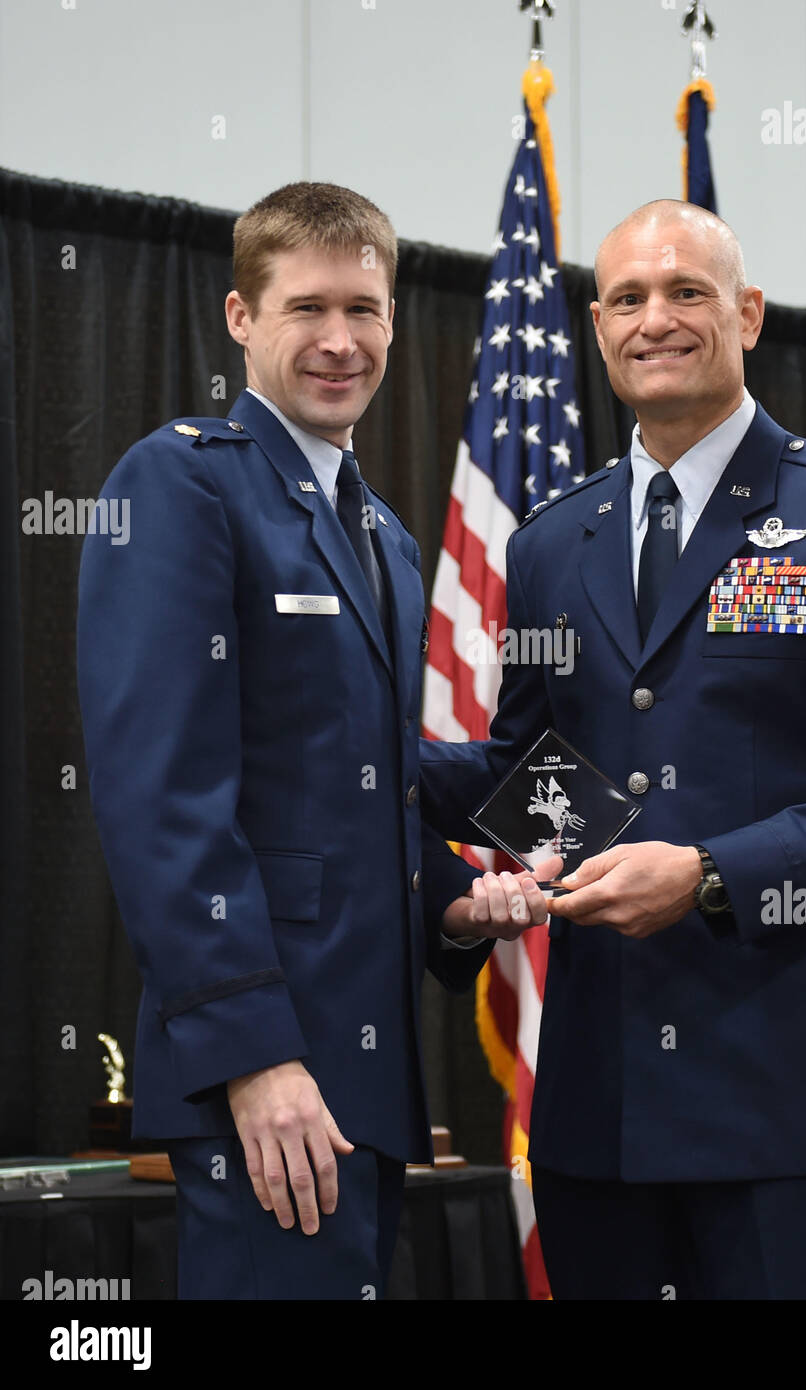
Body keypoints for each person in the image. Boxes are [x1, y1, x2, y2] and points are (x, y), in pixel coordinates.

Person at [419, 199, 806, 1300]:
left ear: (749, 313)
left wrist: (711, 874)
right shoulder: (546, 544)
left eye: (687, 292)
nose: (655, 319)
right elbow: (542, 786)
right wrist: (361, 754)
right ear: (596, 324)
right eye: (627, 296)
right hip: (603, 1108)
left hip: (799, 1106)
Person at [77, 182, 555, 1300]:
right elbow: (164, 800)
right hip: (270, 1069)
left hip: (369, 1073)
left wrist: (451, 898)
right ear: (242, 317)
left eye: (365, 309)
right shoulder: (182, 481)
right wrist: (253, 1055)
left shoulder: (381, 533)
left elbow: (359, 781)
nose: (340, 341)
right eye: (306, 308)